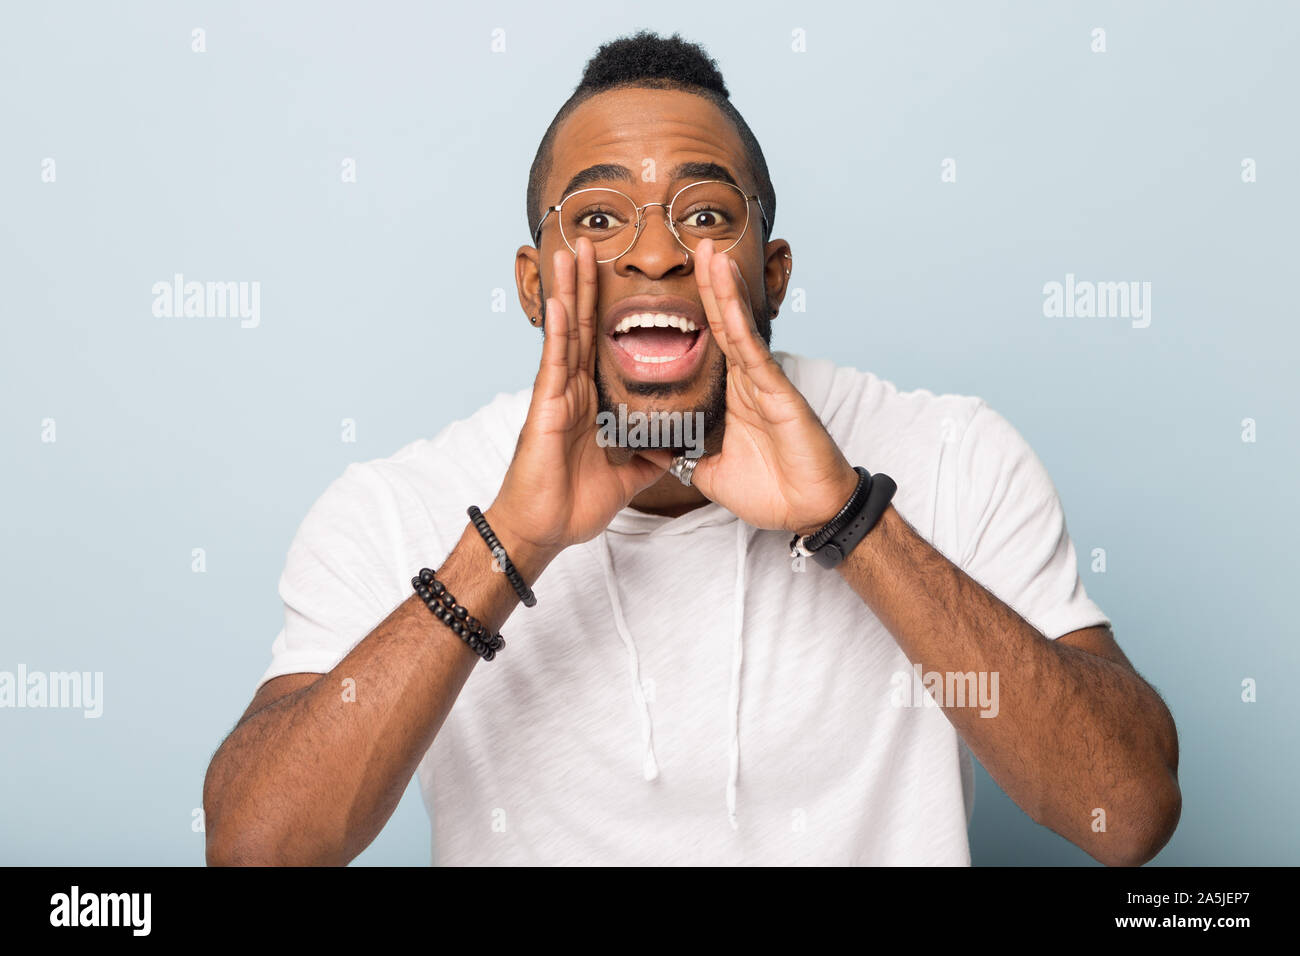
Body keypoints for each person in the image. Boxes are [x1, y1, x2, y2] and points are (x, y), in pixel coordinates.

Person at [202, 30, 1180, 866]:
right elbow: (255, 844)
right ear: (535, 283)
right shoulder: (392, 505)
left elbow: (1128, 811)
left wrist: (851, 519)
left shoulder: (952, 451)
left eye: (705, 215)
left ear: (773, 271)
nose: (656, 251)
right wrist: (505, 546)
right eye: (595, 218)